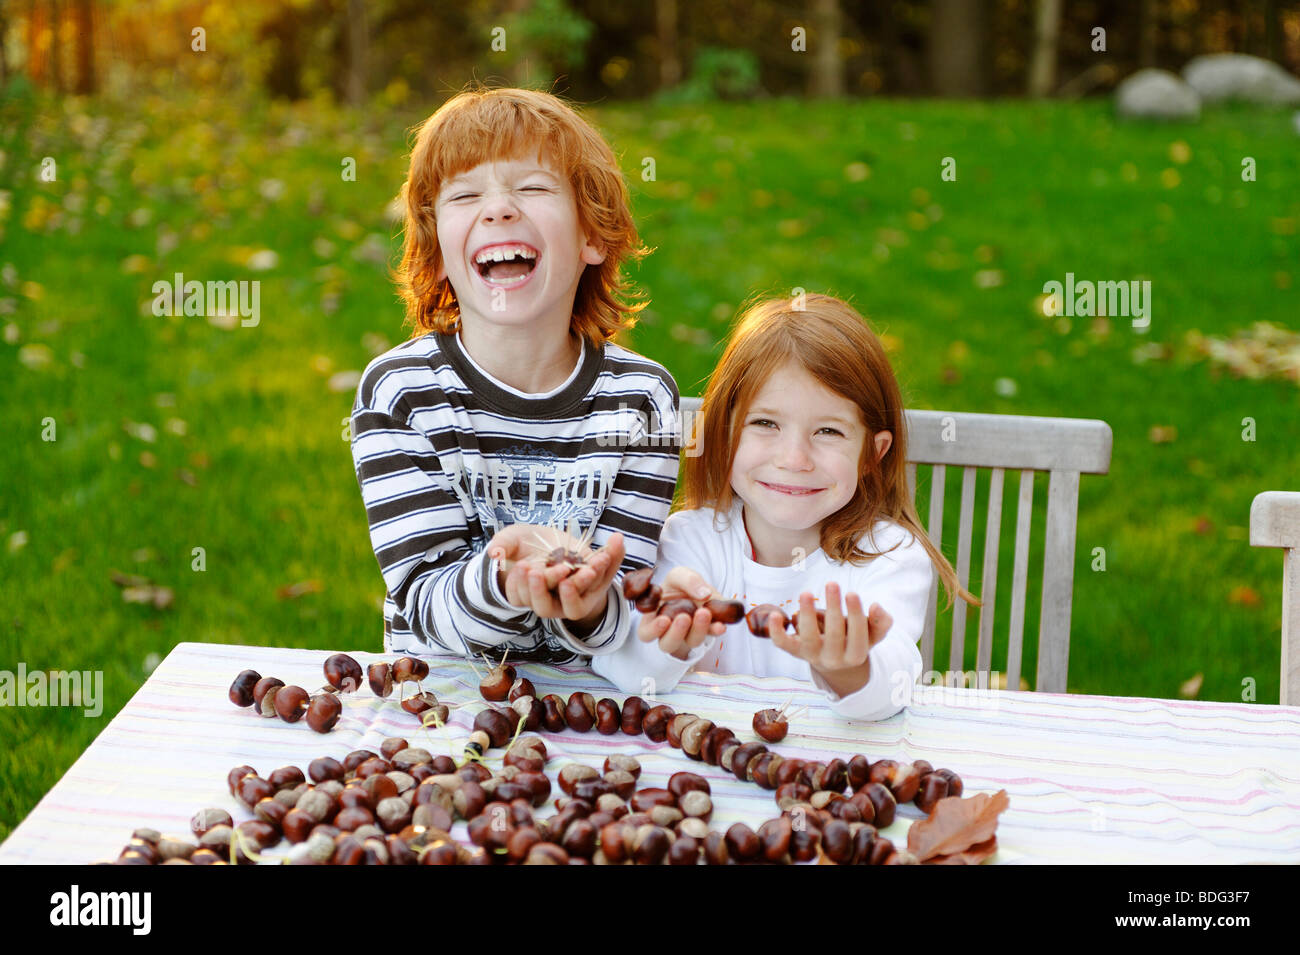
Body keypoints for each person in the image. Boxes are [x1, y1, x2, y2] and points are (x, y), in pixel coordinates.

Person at [351, 87, 680, 664]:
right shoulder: (400, 393)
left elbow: (625, 610)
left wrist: (590, 601)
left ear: (593, 236)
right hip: (437, 712)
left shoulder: (642, 400)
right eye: (466, 194)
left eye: (532, 187)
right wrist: (503, 579)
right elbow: (423, 604)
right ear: (439, 249)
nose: (498, 208)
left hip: (588, 712)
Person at [593, 294, 979, 719]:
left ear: (872, 454)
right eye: (765, 423)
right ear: (724, 434)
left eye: (828, 431)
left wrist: (849, 668)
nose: (794, 459)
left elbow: (891, 690)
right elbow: (624, 668)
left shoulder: (889, 556)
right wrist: (668, 642)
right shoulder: (691, 542)